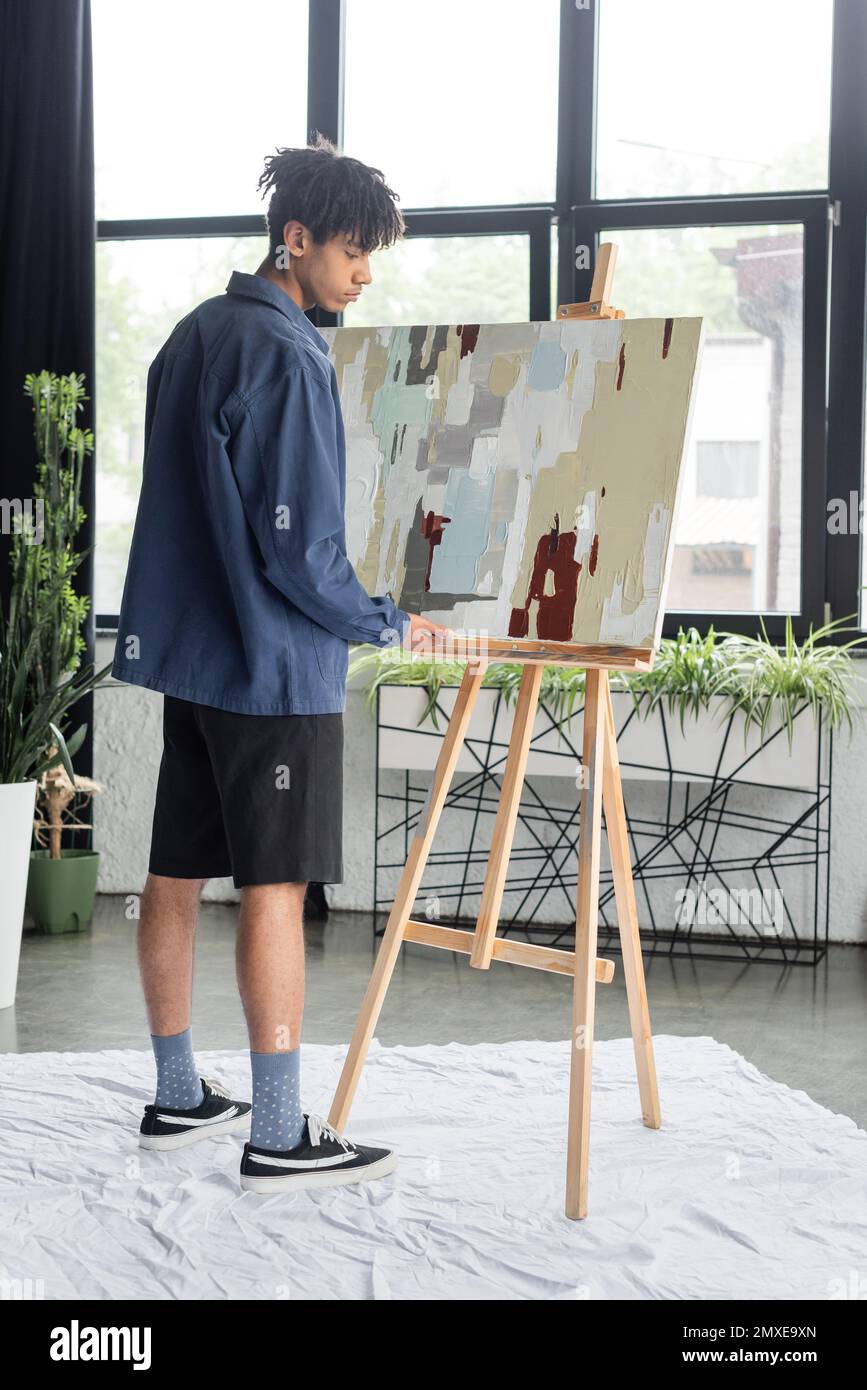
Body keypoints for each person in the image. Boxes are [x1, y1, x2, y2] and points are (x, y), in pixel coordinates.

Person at [112, 133, 452, 1194]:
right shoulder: (291, 353)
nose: (362, 273)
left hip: (197, 667)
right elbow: (302, 550)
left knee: (172, 877)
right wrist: (388, 619)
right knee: (274, 887)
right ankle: (276, 1129)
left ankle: (178, 1094)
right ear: (293, 238)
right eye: (352, 251)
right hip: (274, 673)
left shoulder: (190, 337)